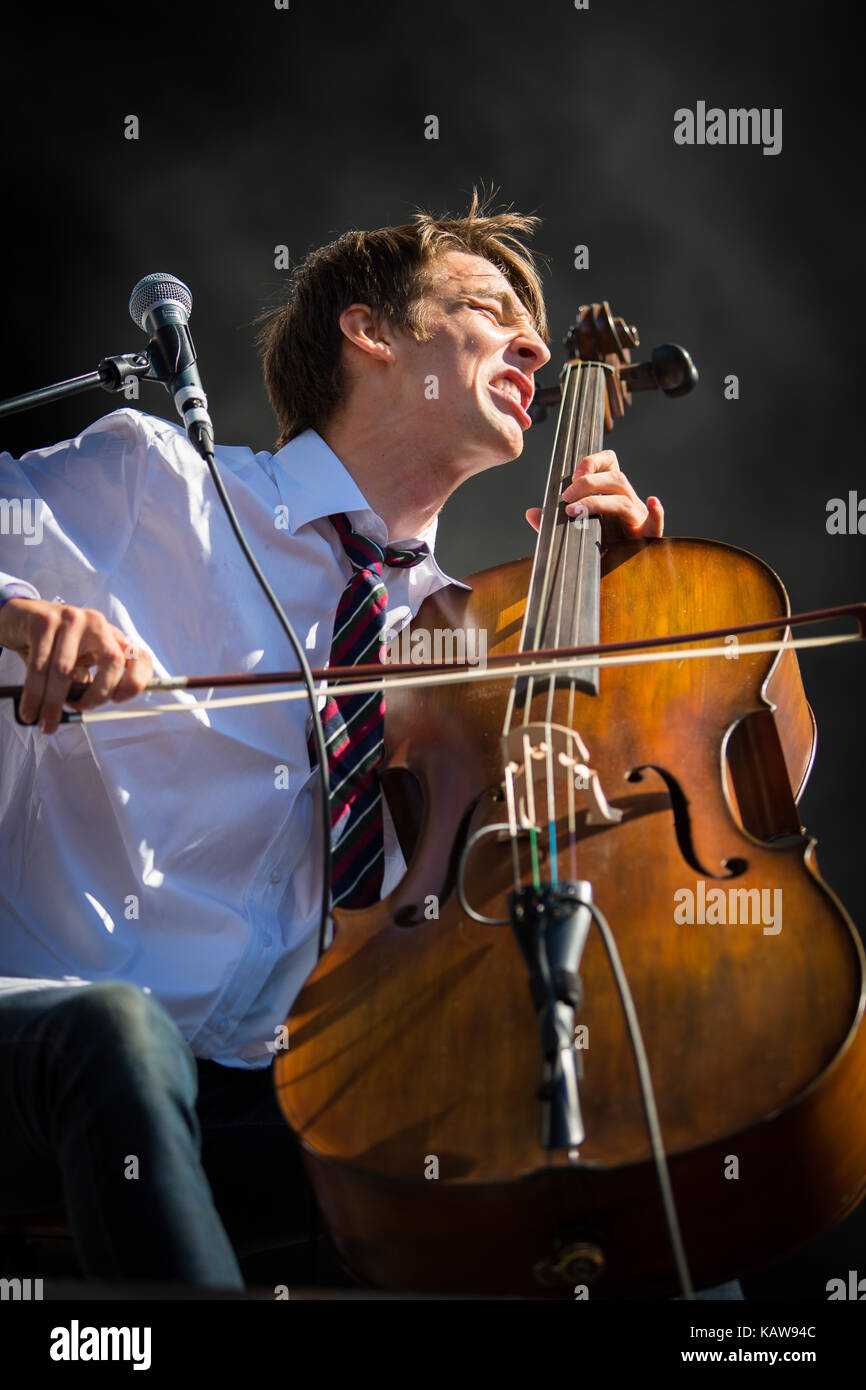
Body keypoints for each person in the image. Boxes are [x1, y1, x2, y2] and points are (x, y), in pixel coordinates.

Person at [0, 192, 736, 1296]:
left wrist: (630, 606)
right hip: (47, 1055)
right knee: (122, 1033)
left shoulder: (463, 645)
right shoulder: (153, 482)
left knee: (608, 1152)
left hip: (277, 1108)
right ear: (371, 331)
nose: (535, 343)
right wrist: (18, 614)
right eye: (489, 308)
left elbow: (531, 884)